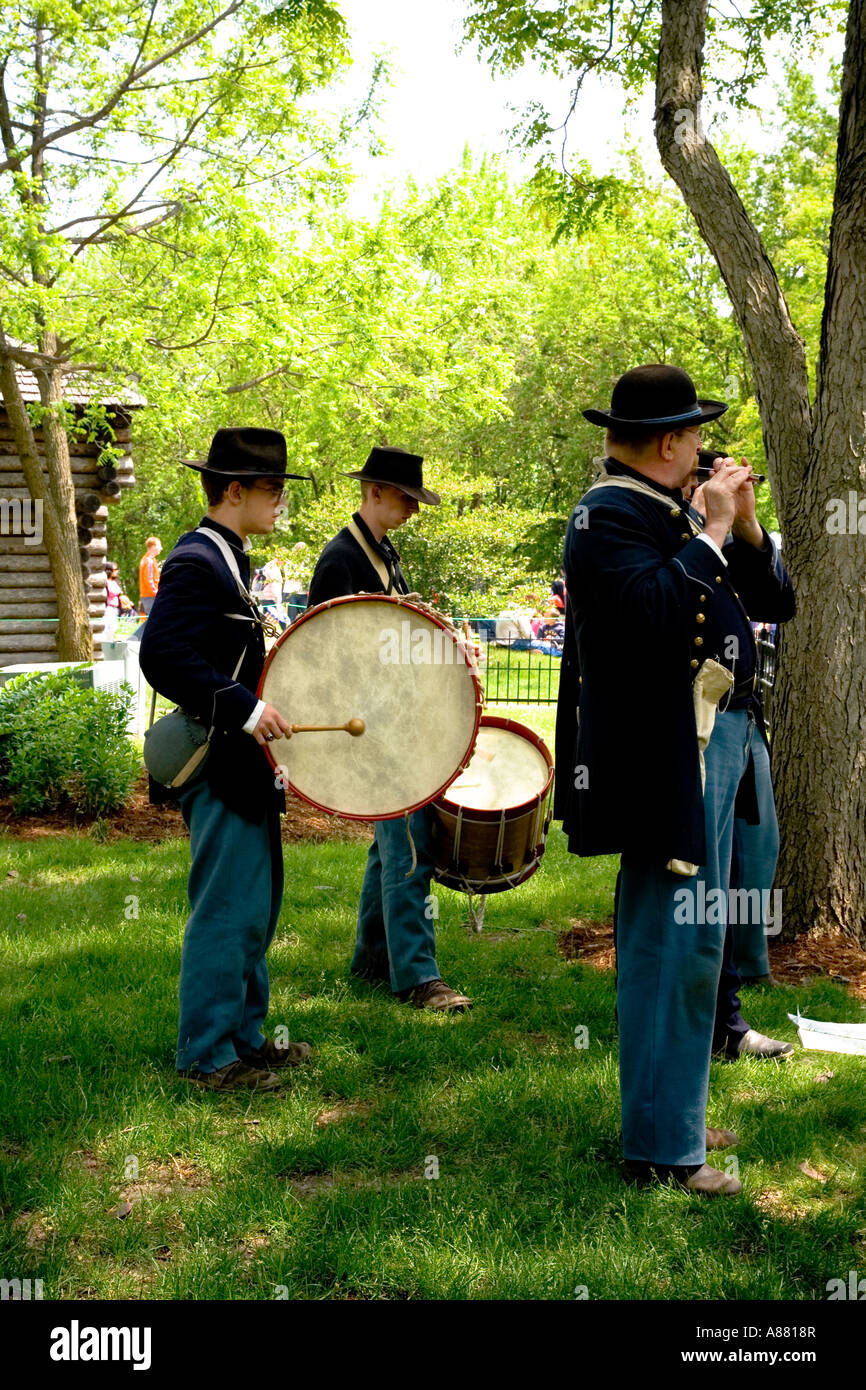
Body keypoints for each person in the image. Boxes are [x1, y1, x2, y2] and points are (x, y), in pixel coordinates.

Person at [555, 364, 795, 1196]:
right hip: (663, 752)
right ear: (668, 441)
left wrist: (747, 527)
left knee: (706, 936)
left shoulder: (674, 513)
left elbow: (777, 603)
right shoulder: (606, 515)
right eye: (694, 434)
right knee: (669, 943)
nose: (703, 448)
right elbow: (649, 614)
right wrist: (711, 532)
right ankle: (661, 1149)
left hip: (716, 740)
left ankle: (675, 1124)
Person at [139, 427, 313, 1092]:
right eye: (272, 491)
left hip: (245, 761)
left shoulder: (228, 557)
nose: (279, 503)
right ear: (234, 491)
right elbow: (162, 654)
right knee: (225, 908)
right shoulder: (195, 562)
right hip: (220, 757)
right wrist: (242, 707)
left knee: (254, 906)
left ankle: (244, 1037)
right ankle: (208, 1056)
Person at [307, 445, 472, 1013]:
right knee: (408, 847)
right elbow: (327, 655)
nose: (413, 509)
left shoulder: (381, 551)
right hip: (372, 726)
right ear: (373, 492)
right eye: (405, 498)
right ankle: (419, 977)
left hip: (396, 717)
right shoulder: (340, 561)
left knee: (390, 847)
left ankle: (373, 959)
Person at [138, 536, 162, 618]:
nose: (161, 548)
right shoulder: (149, 561)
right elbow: (149, 581)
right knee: (154, 619)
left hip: (148, 595)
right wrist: (157, 593)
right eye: (159, 546)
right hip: (150, 596)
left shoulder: (146, 559)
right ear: (153, 547)